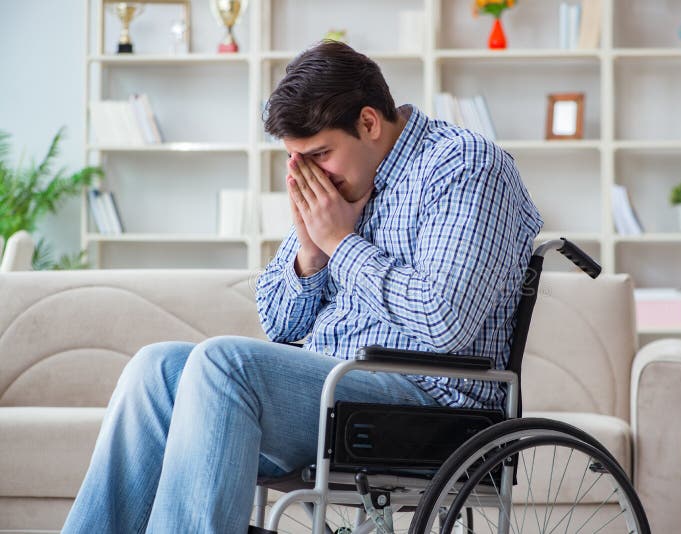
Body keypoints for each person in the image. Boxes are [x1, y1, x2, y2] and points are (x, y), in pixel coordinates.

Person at [62, 40, 542, 533]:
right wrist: (311, 253)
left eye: (321, 154)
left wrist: (341, 241)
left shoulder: (464, 167)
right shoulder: (336, 186)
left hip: (429, 408)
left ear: (369, 123)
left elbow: (446, 322)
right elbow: (278, 321)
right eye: (297, 158)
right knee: (156, 369)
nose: (311, 173)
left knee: (223, 364)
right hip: (336, 391)